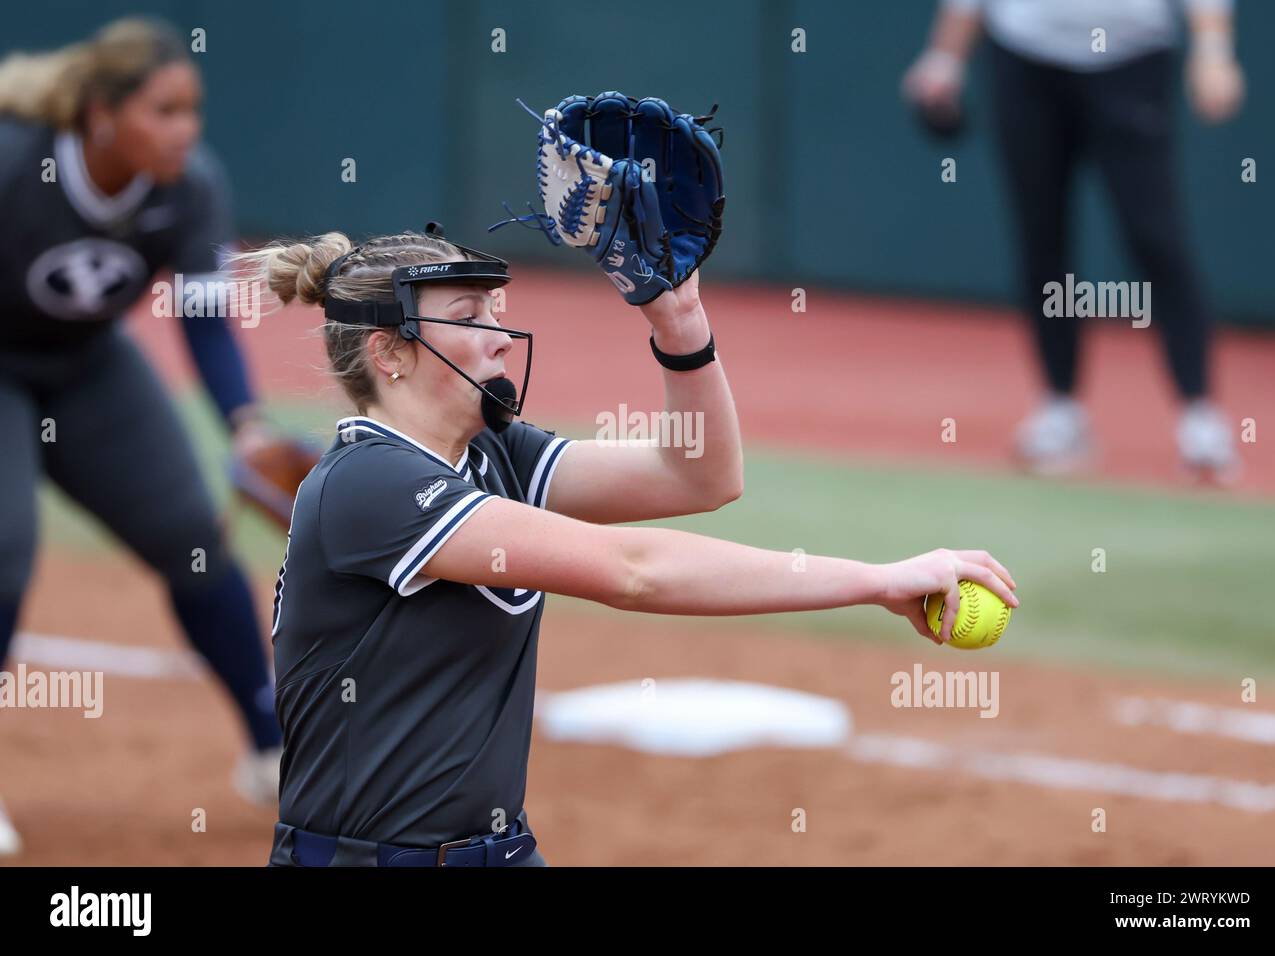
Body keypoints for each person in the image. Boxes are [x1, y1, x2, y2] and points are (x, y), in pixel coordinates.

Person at [242, 228, 1019, 867]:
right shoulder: (365, 484)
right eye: (471, 317)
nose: (500, 339)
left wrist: (680, 326)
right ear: (391, 353)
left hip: (498, 853)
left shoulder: (496, 458)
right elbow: (633, 572)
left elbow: (698, 473)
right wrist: (877, 580)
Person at [0, 18, 283, 854]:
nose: (185, 130)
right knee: (6, 546)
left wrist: (245, 423)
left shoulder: (189, 187)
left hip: (87, 365)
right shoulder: (17, 165)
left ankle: (272, 748)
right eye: (163, 110)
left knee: (189, 534)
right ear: (98, 115)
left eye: (191, 110)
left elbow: (203, 321)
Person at [903, 0, 1245, 480]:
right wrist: (944, 57)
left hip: (1133, 59)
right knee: (1042, 241)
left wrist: (1213, 50)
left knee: (1156, 238)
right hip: (1025, 57)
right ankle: (1061, 410)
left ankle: (1201, 419)